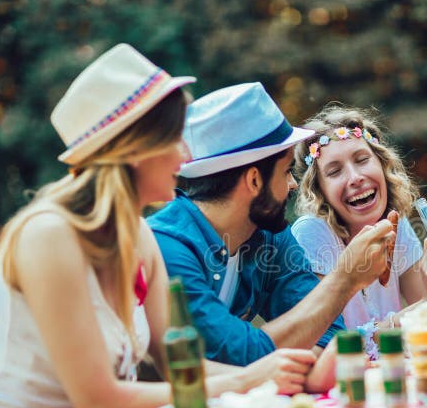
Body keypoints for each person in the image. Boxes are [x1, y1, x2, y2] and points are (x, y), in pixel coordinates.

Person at [0, 45, 320, 408]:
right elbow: (99, 403)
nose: (185, 156)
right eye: (174, 140)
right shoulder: (51, 236)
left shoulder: (139, 239)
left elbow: (180, 369)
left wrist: (285, 377)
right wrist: (245, 382)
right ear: (134, 151)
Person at [147, 84, 393, 367]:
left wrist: (278, 358)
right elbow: (234, 353)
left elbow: (328, 336)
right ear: (253, 180)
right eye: (287, 171)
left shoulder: (269, 236)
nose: (292, 184)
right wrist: (344, 280)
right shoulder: (168, 248)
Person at [290, 105, 427, 347]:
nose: (355, 178)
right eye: (334, 171)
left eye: (362, 160)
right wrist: (425, 305)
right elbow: (332, 343)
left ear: (383, 166)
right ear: (320, 191)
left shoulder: (397, 224)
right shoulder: (312, 233)